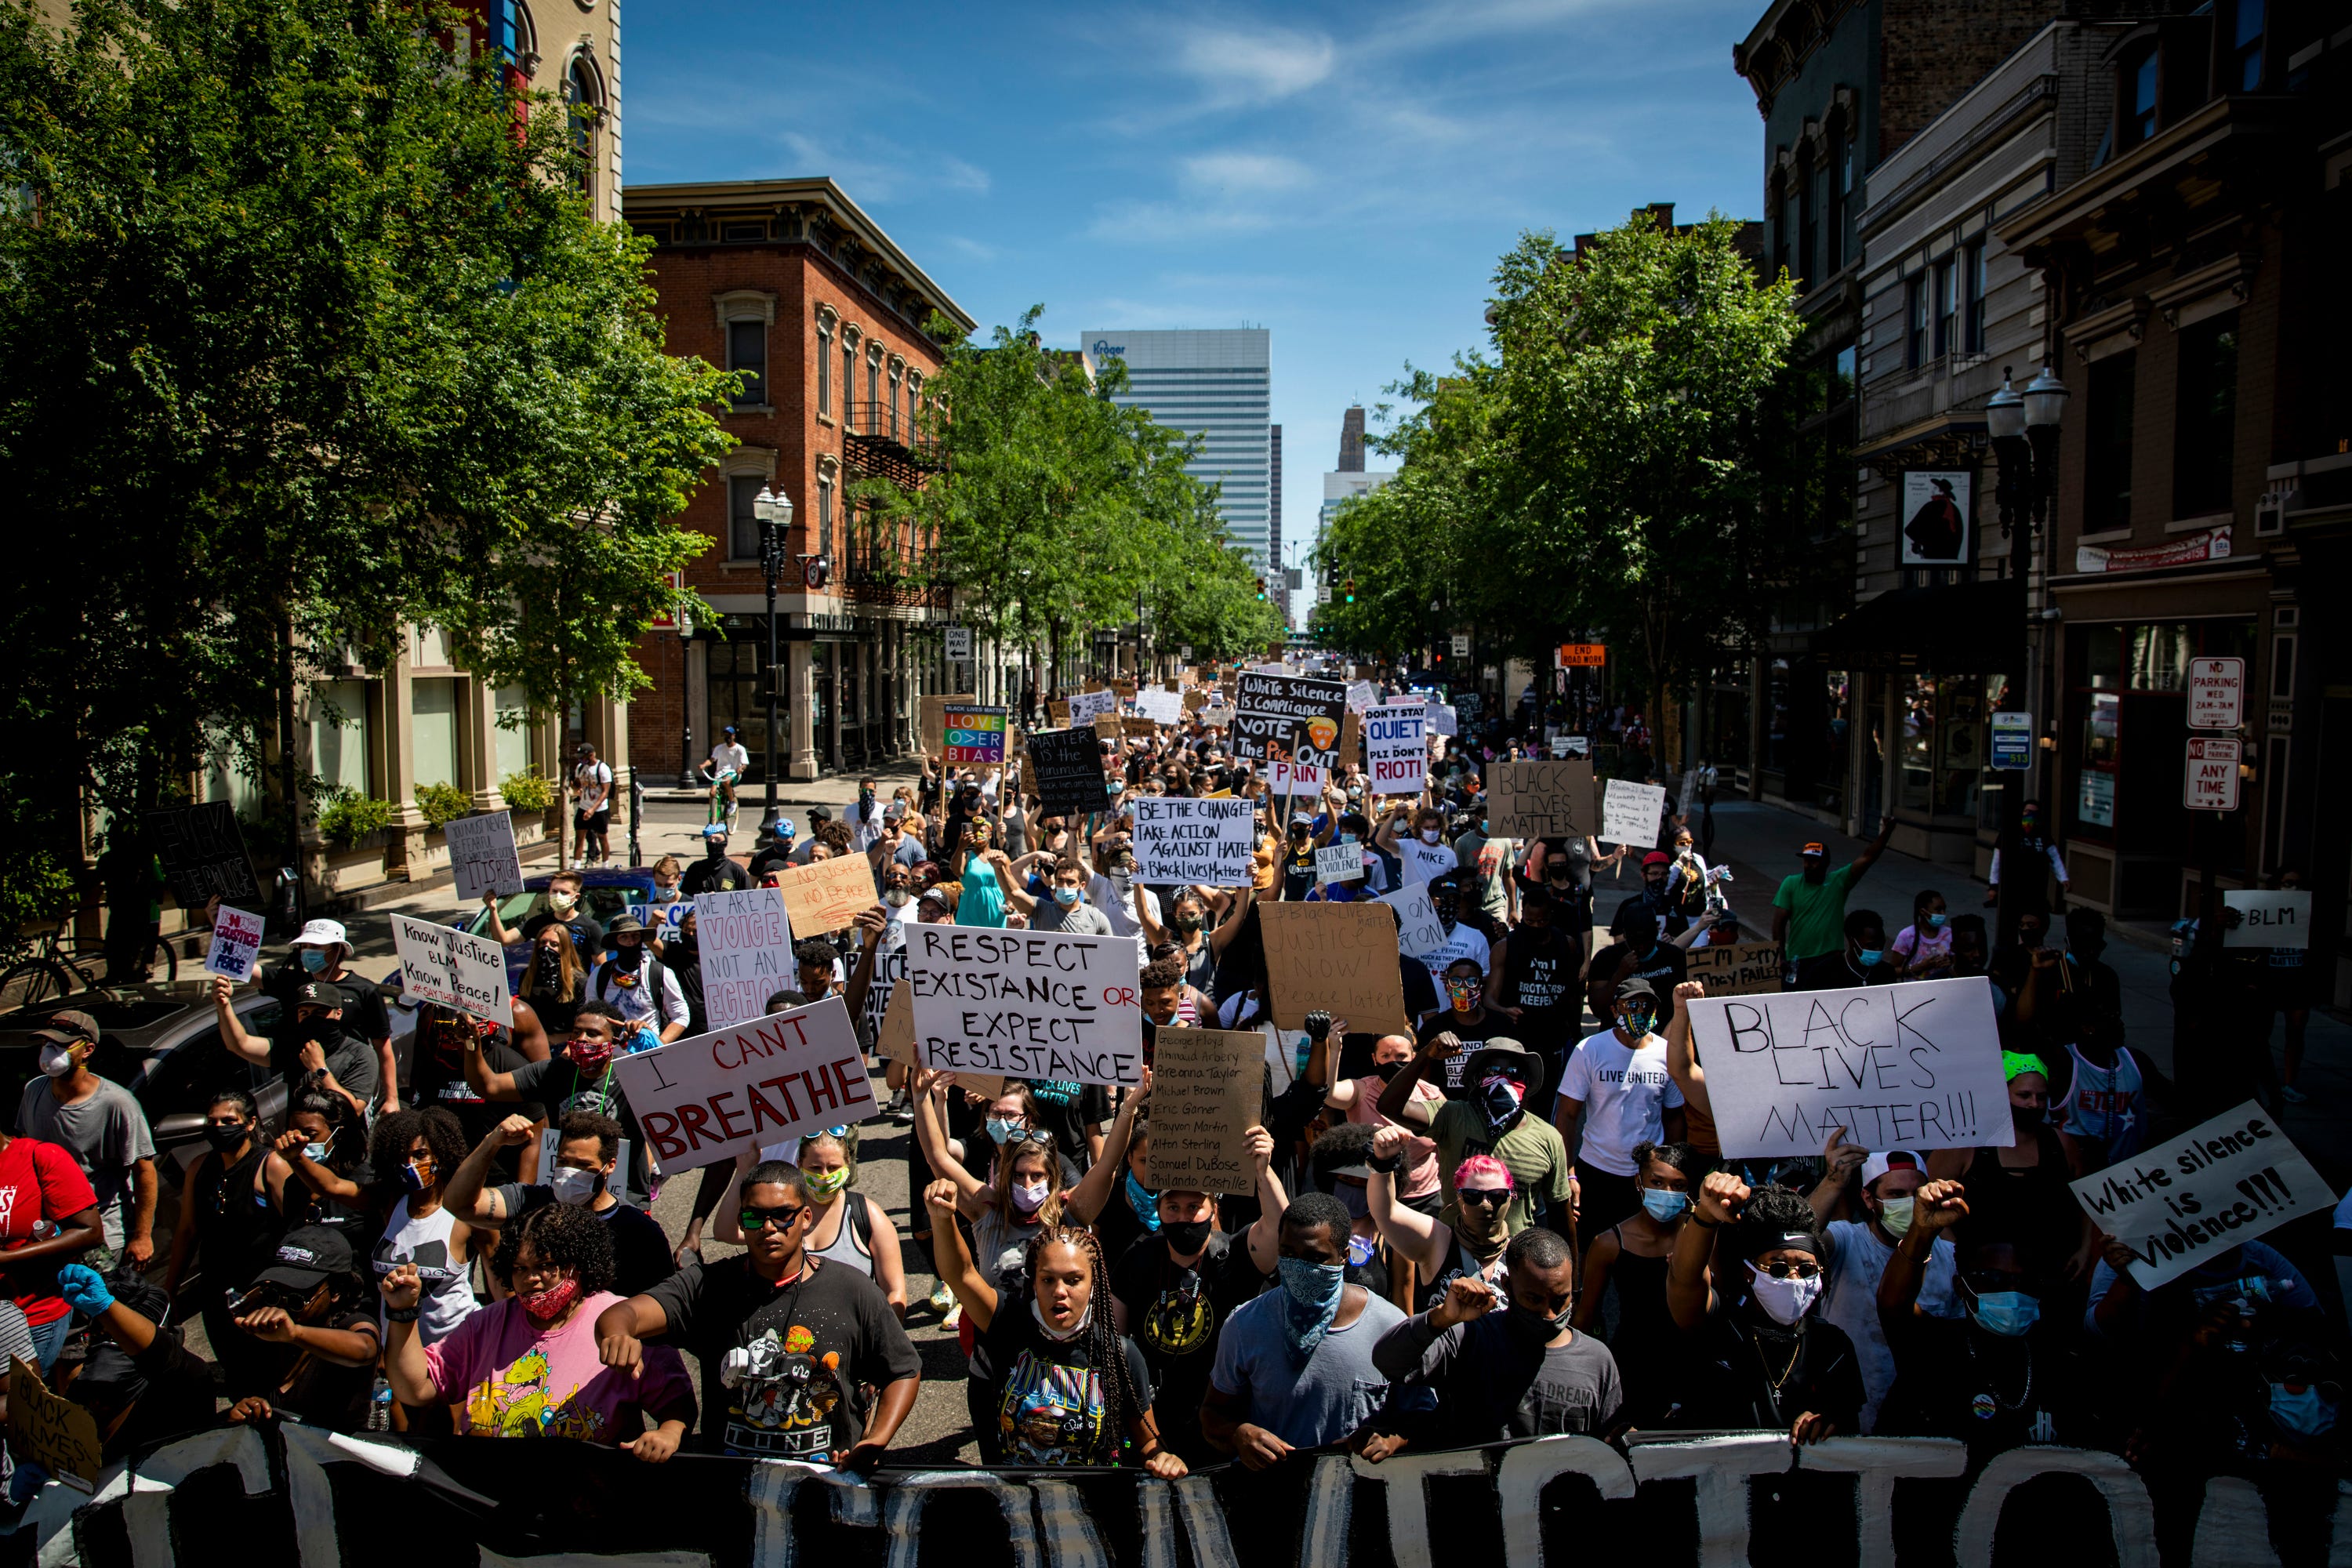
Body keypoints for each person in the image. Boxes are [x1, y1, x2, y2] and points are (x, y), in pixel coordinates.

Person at [595, 1160, 922, 1465]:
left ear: (806, 1218)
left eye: (783, 1215)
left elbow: (903, 1370)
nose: (768, 1227)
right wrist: (617, 1333)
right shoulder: (708, 1285)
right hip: (733, 1491)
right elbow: (623, 1314)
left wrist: (876, 1440)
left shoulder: (852, 1289)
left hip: (826, 1486)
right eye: (754, 1216)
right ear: (741, 1221)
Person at [385, 1201, 695, 1454]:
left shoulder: (620, 1319)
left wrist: (669, 1432)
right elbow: (416, 1388)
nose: (530, 1278)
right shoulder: (484, 1326)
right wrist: (402, 1313)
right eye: (520, 1269)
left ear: (579, 1262)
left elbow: (677, 1403)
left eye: (545, 1266)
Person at [924, 1181, 1187, 1474]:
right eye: (1048, 1280)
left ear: (1093, 1284)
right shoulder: (1008, 1323)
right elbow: (961, 1274)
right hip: (1019, 1506)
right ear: (1033, 1283)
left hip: (1091, 1508)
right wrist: (942, 1218)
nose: (1060, 1291)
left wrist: (1164, 1458)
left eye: (1074, 1280)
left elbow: (1147, 1441)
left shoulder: (1120, 1354)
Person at [1108, 1132, 1282, 1468]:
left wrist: (1263, 1170)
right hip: (1154, 1424)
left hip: (1221, 1420)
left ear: (1213, 1208)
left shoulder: (1234, 1253)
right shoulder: (1138, 1258)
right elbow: (1115, 1342)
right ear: (1159, 1208)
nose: (1183, 1217)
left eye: (1194, 1207)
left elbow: (1278, 1226)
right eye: (1172, 1207)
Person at [1368, 1225, 1621, 1450]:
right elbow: (1389, 1362)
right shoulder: (1472, 1338)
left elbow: (1609, 1450)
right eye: (1533, 1299)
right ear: (1508, 1287)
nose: (1549, 1314)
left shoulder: (1597, 1362)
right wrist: (1440, 1318)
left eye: (1559, 1300)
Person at [1201, 1192, 1406, 1467]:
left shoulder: (1389, 1327)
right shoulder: (1244, 1324)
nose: (1299, 1267)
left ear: (1344, 1256)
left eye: (1314, 1257)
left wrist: (1393, 1438)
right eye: (1287, 1254)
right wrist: (1239, 1434)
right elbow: (1213, 1414)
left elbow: (1422, 1414)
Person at [1875, 1177, 2077, 1453]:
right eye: (1994, 1279)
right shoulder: (1936, 1348)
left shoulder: (2056, 1363)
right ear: (1961, 1286)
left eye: (2024, 1283)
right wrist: (1922, 1232)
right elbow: (1894, 1306)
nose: (2012, 1292)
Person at [1664, 1172, 1864, 1442]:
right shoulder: (1719, 1327)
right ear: (1749, 1271)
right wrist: (1706, 1216)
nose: (1794, 1279)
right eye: (1779, 1268)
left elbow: (1849, 1426)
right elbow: (1685, 1280)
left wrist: (1829, 1420)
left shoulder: (1833, 1346)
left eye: (1806, 1269)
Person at [1804, 1141, 1958, 1433]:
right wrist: (1834, 1181)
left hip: (1923, 1421)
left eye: (1916, 1194)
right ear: (1868, 1198)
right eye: (1896, 1195)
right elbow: (1800, 1239)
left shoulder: (1949, 1256)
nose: (1909, 1204)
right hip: (1848, 1416)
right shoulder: (1846, 1239)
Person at [444, 1112, 675, 1299]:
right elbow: (460, 1204)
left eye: (582, 1165)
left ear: (610, 1166)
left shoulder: (638, 1230)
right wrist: (491, 1143)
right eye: (563, 1162)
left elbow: (660, 1303)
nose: (569, 1172)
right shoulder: (530, 1202)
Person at [1926, 1052, 2101, 1285]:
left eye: (2041, 1097)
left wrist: (2085, 1248)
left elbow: (2088, 1200)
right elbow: (1929, 1204)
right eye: (2024, 1095)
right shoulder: (1966, 1145)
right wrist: (1954, 1256)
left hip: (2049, 1276)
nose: (2034, 1104)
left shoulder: (2063, 1145)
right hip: (1979, 1277)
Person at [1384, 1035, 1575, 1241]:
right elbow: (1390, 1107)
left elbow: (1560, 1217)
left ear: (1526, 1083)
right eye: (1492, 1072)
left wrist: (1570, 1272)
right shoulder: (1452, 1116)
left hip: (1514, 1259)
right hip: (1453, 1249)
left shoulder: (1548, 1138)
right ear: (1477, 1080)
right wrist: (1424, 1057)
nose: (1503, 1080)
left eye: (1513, 1073)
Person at [16, 1009, 155, 1272]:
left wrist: (142, 1236)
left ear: (87, 1050)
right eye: (47, 1044)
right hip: (47, 1235)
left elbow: (145, 1172)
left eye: (61, 1045)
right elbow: (24, 1152)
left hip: (101, 1237)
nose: (49, 1051)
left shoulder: (117, 1103)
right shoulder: (34, 1090)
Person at [466, 1000, 653, 1197]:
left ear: (614, 1041)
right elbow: (488, 1085)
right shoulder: (554, 1072)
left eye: (592, 1033)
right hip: (565, 1192)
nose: (582, 1039)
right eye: (576, 1032)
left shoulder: (632, 1075)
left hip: (621, 1196)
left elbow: (678, 1092)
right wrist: (472, 1044)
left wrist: (652, 1046)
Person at [713, 1131, 906, 1319]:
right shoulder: (784, 1213)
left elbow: (895, 1292)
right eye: (815, 1168)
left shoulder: (868, 1215)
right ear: (799, 1164)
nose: (824, 1176)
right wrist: (743, 1172)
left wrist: (877, 1342)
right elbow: (725, 1232)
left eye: (832, 1168)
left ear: (848, 1165)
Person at [1573, 1138, 1700, 1425]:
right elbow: (1586, 1314)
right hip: (1633, 1363)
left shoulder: (1697, 1236)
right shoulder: (1608, 1243)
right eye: (1657, 1182)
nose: (1666, 1192)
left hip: (1691, 1361)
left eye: (1678, 1185)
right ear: (1639, 1183)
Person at [212, 1225, 385, 1431]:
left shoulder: (350, 1324)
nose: (282, 1304)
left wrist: (295, 1334)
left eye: (297, 1297)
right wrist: (239, 1414)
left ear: (336, 1291)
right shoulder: (265, 1339)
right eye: (275, 1293)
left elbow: (365, 1349)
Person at [161, 1089, 277, 1381]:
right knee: (235, 1371)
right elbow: (187, 1230)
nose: (219, 1128)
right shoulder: (199, 1167)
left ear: (250, 1123)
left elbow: (293, 1227)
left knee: (267, 1374)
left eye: (228, 1120)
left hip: (259, 1294)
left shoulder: (268, 1166)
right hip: (215, 1293)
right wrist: (169, 1291)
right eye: (212, 1122)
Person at [1556, 979, 1686, 1238]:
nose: (1640, 1012)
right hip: (1595, 1172)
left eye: (1647, 1006)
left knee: (1643, 1249)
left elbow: (1673, 1117)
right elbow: (1567, 1116)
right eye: (1632, 1005)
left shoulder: (1666, 1053)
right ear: (1615, 1011)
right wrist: (1568, 1174)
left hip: (1649, 1176)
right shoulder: (1590, 1050)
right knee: (1591, 1248)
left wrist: (1676, 1171)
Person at [1367, 1128, 1517, 1312]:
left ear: (1510, 1197)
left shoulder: (1521, 1254)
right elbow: (1386, 1213)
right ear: (1459, 1198)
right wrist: (1383, 1162)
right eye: (1473, 1196)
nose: (1485, 1204)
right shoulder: (1438, 1241)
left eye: (1497, 1196)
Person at [257, 918, 397, 1112]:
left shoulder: (364, 990)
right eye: (304, 946)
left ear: (337, 949)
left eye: (315, 946)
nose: (307, 951)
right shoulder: (294, 983)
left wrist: (391, 1098)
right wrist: (222, 930)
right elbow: (243, 968)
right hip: (303, 1089)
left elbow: (383, 1047)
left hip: (349, 1082)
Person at [367, 1108, 479, 1348]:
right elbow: (333, 1187)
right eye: (403, 1156)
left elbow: (502, 1293)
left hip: (456, 1354)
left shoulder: (464, 1214)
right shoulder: (391, 1204)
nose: (411, 1164)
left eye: (420, 1155)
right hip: (399, 1354)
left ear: (442, 1155)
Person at [0, 1120, 102, 1377]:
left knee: (21, 1403)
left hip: (34, 1314)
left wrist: (7, 1259)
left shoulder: (40, 1156)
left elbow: (89, 1232)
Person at [212, 975, 379, 1119]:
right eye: (304, 1013)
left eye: (319, 1012)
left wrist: (319, 1068)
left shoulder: (360, 1054)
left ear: (338, 1014)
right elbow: (240, 1045)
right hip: (299, 1149)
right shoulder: (293, 1047)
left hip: (344, 1151)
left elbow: (354, 1109)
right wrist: (223, 1005)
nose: (311, 1019)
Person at [1486, 887, 1582, 1102]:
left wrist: (1575, 1032)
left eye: (1542, 922)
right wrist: (1504, 1010)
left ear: (1551, 917)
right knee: (1517, 1098)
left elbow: (1574, 993)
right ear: (1522, 916)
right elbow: (1489, 999)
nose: (1536, 927)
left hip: (1554, 1038)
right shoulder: (1506, 947)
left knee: (1549, 1100)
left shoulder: (1566, 944)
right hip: (1519, 1039)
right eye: (1530, 922)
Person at [1772, 821, 1895, 967]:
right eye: (1806, 861)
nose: (1808, 865)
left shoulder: (1838, 882)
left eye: (1814, 861)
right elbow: (1778, 924)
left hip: (1831, 958)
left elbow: (1868, 857)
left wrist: (1887, 831)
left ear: (1826, 863)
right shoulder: (1790, 883)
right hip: (1799, 959)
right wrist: (1781, 957)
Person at [261, 1091, 369, 1237]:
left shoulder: (364, 1182)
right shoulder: (294, 1184)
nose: (299, 1141)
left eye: (310, 1135)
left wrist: (296, 1159)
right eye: (293, 1133)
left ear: (338, 1134)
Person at [1412, 956, 1515, 1094]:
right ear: (1447, 987)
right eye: (1456, 981)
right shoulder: (1432, 1028)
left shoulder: (1502, 1025)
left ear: (1480, 987)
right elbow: (1422, 1080)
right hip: (1446, 1109)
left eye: (1471, 981)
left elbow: (1516, 1074)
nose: (1463, 987)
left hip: (1488, 1109)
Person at [590, 914, 690, 1044]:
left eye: (635, 936)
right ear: (616, 941)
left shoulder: (659, 973)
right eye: (624, 937)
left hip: (647, 1056)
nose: (631, 942)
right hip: (610, 1056)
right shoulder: (600, 974)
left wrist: (659, 1044)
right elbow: (590, 1015)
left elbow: (681, 1015)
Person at [1986, 798, 2069, 949]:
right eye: (2026, 812)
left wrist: (2063, 877)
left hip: (2036, 890)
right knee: (2016, 922)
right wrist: (1993, 885)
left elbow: (2054, 856)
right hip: (2015, 889)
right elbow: (1997, 860)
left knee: (2039, 921)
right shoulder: (2010, 832)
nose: (2029, 816)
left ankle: (2033, 946)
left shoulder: (2042, 834)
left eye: (2034, 813)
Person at [488, 869, 605, 967]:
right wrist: (493, 910)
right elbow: (503, 940)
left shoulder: (590, 927)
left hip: (575, 991)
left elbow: (601, 968)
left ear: (576, 897)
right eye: (554, 891)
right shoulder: (539, 922)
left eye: (564, 893)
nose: (558, 896)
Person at [1792, 909, 1900, 992]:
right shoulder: (1823, 973)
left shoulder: (1886, 972)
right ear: (1851, 940)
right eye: (1871, 946)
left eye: (1881, 945)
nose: (1878, 950)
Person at [1026, 855, 1113, 935]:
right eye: (1060, 880)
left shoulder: (1096, 918)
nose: (1064, 886)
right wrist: (1034, 855)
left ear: (1082, 885)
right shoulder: (1042, 910)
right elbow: (1014, 892)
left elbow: (1108, 948)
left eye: (1070, 882)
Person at [1889, 890, 1954, 980]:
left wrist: (1950, 963)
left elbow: (1960, 965)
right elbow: (1891, 971)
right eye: (1938, 910)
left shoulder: (1949, 934)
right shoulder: (1906, 936)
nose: (1943, 914)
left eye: (1944, 909)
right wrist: (1919, 967)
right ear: (1923, 912)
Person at [571, 742, 615, 864]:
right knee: (579, 837)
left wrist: (593, 809)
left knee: (602, 837)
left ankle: (605, 865)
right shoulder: (580, 768)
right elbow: (578, 783)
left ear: (591, 755)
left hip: (600, 809)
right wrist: (576, 789)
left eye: (582, 757)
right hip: (583, 806)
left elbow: (605, 792)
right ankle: (577, 866)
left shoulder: (602, 768)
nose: (580, 759)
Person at [683, 823, 752, 896]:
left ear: (725, 843)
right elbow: (684, 898)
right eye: (709, 839)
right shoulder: (695, 869)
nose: (713, 842)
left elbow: (749, 898)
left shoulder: (736, 870)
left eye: (717, 840)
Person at [702, 726, 750, 826]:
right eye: (725, 735)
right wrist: (704, 765)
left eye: (729, 735)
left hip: (733, 773)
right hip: (720, 774)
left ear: (734, 736)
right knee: (712, 792)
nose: (727, 737)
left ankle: (732, 802)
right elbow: (712, 760)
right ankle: (713, 814)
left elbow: (745, 763)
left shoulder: (740, 749)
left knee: (726, 782)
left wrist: (741, 768)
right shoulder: (719, 748)